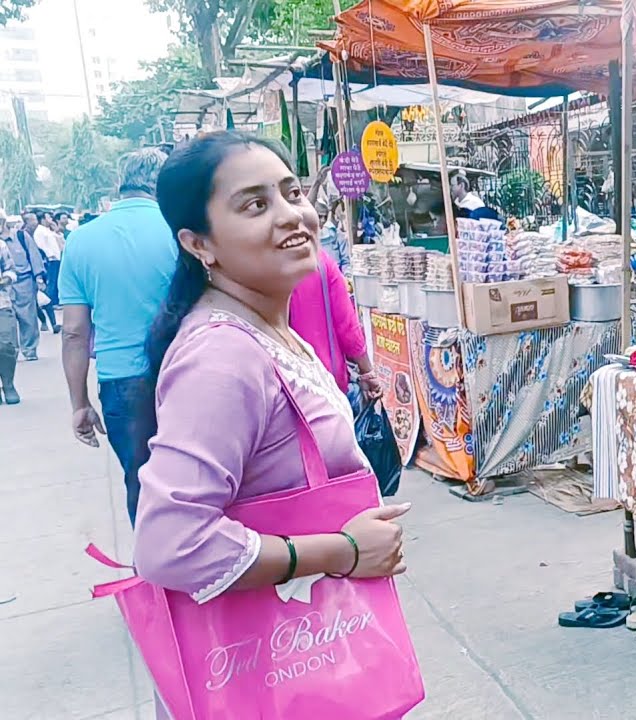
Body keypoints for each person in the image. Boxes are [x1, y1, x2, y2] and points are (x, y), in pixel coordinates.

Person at [133, 133, 408, 720]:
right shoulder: (222, 357)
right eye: (255, 205)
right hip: (271, 670)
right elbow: (170, 542)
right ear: (198, 243)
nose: (291, 215)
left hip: (307, 653)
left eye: (291, 192)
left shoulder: (266, 328)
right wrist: (344, 550)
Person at [59, 148, 176, 525]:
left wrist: (80, 402)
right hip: (187, 370)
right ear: (162, 184)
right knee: (206, 477)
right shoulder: (182, 228)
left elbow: (75, 331)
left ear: (118, 185)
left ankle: (154, 576)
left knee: (140, 483)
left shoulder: (80, 241)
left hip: (122, 385)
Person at [290, 248, 380, 399]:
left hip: (289, 387)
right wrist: (367, 372)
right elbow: (347, 326)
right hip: (328, 381)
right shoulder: (322, 262)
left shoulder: (262, 267)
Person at [5, 212, 44, 361]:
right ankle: (10, 353)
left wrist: (39, 278)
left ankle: (29, 349)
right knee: (7, 321)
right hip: (4, 286)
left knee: (28, 317)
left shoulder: (21, 237)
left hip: (24, 282)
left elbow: (34, 256)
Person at [0, 234, 21, 404]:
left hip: (1, 303)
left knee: (6, 345)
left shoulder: (1, 246)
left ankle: (8, 384)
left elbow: (11, 270)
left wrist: (5, 279)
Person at [34, 212, 63, 333]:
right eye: (48, 217)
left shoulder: (47, 230)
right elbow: (40, 247)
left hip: (54, 259)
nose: (50, 219)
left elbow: (59, 242)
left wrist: (56, 230)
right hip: (48, 261)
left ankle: (52, 321)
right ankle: (46, 319)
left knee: (53, 285)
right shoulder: (39, 231)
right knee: (48, 288)